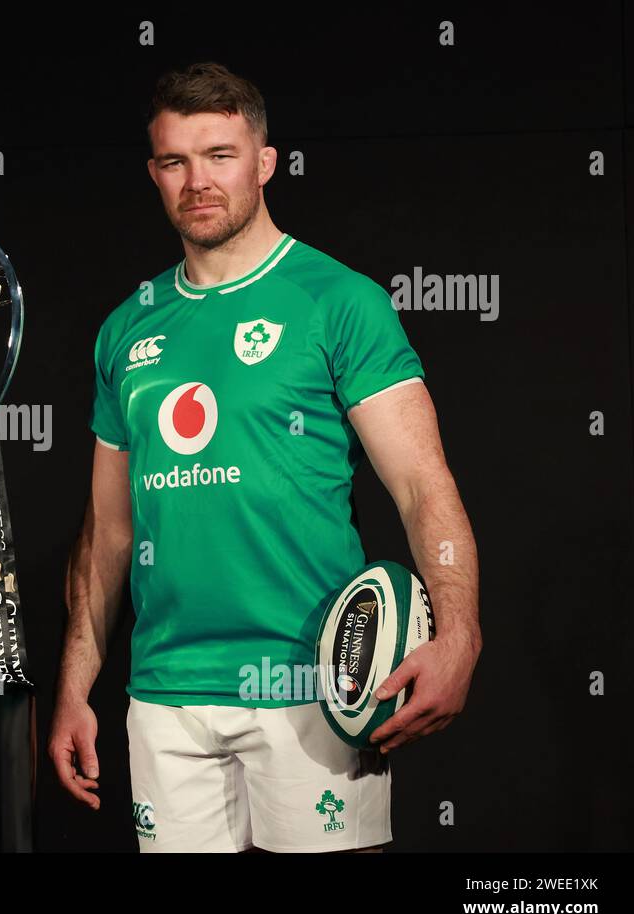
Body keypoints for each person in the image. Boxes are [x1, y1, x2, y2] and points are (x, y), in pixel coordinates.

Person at [48, 62, 481, 852]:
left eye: (220, 154)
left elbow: (422, 487)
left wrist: (459, 634)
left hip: (313, 685)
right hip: (165, 697)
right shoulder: (126, 330)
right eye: (175, 161)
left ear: (265, 162)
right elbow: (108, 534)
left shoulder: (338, 301)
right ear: (154, 173)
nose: (197, 181)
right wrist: (75, 687)